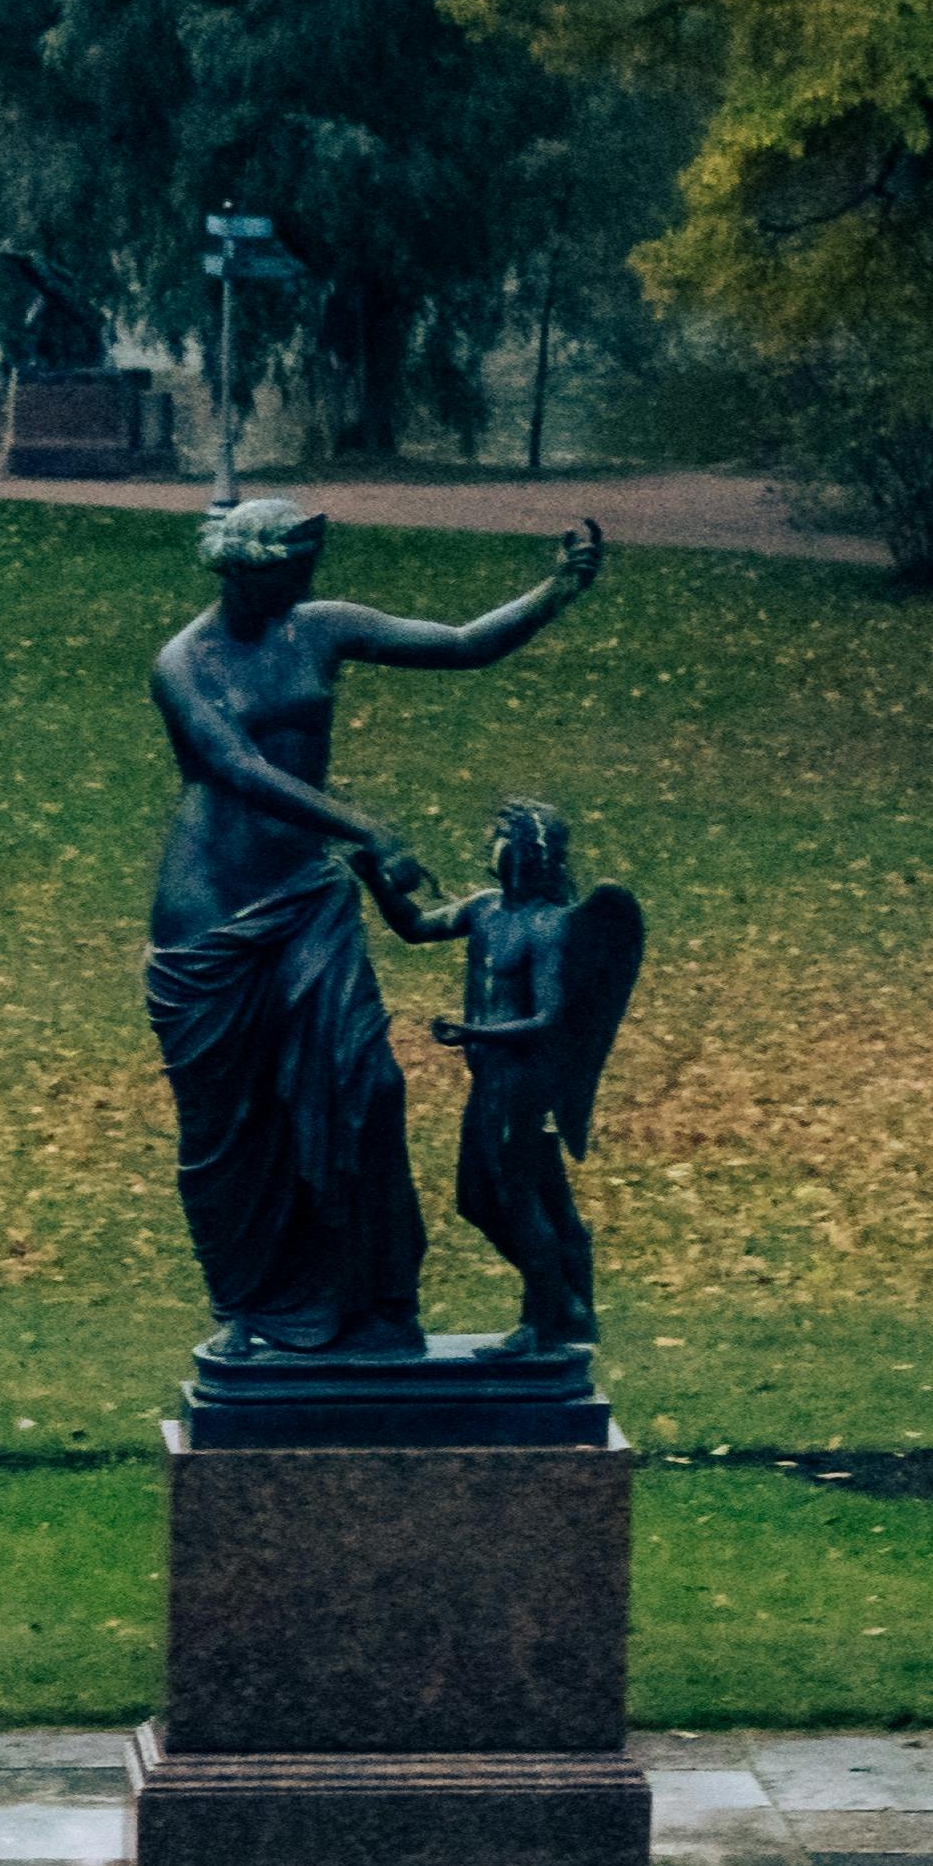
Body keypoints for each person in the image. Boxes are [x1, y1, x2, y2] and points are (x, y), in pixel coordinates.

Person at [141, 499, 601, 1364]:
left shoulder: (318, 629)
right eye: (294, 572)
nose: (309, 587)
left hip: (307, 895)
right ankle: (246, 1306)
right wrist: (365, 828)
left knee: (366, 1089)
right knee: (231, 1124)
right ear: (248, 569)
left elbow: (462, 643)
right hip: (210, 910)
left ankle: (378, 1302)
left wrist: (557, 590)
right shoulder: (183, 663)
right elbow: (235, 768)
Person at [407, 799, 646, 1356]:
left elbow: (549, 1017)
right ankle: (564, 1303)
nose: (491, 845)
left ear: (525, 851)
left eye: (500, 836)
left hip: (522, 1084)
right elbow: (416, 927)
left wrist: (473, 1032)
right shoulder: (487, 910)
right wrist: (372, 873)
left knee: (515, 1200)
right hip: (491, 1083)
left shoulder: (549, 927)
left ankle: (545, 1319)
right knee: (485, 1198)